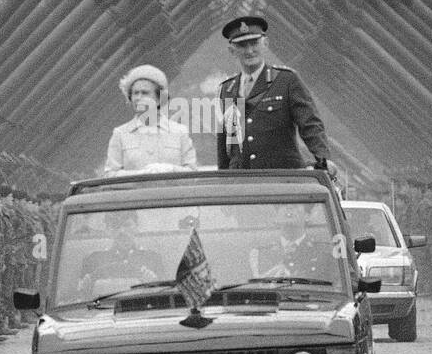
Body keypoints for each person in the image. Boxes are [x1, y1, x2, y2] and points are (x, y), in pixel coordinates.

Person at [215, 16, 334, 173]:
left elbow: (310, 124)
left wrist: (322, 159)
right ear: (232, 50)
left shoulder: (287, 81)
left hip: (283, 179)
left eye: (254, 43)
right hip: (241, 183)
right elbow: (225, 144)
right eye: (242, 45)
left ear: (265, 44)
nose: (249, 51)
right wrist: (223, 178)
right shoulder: (226, 90)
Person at [104, 65, 196, 175]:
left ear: (159, 99)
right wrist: (139, 175)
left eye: (145, 93)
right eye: (135, 93)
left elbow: (193, 173)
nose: (139, 97)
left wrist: (170, 169)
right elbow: (110, 174)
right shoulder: (120, 134)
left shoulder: (180, 132)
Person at [251, 204, 332, 280]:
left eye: (295, 205)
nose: (289, 207)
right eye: (283, 204)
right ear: (276, 217)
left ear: (307, 216)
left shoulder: (323, 252)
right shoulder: (260, 254)